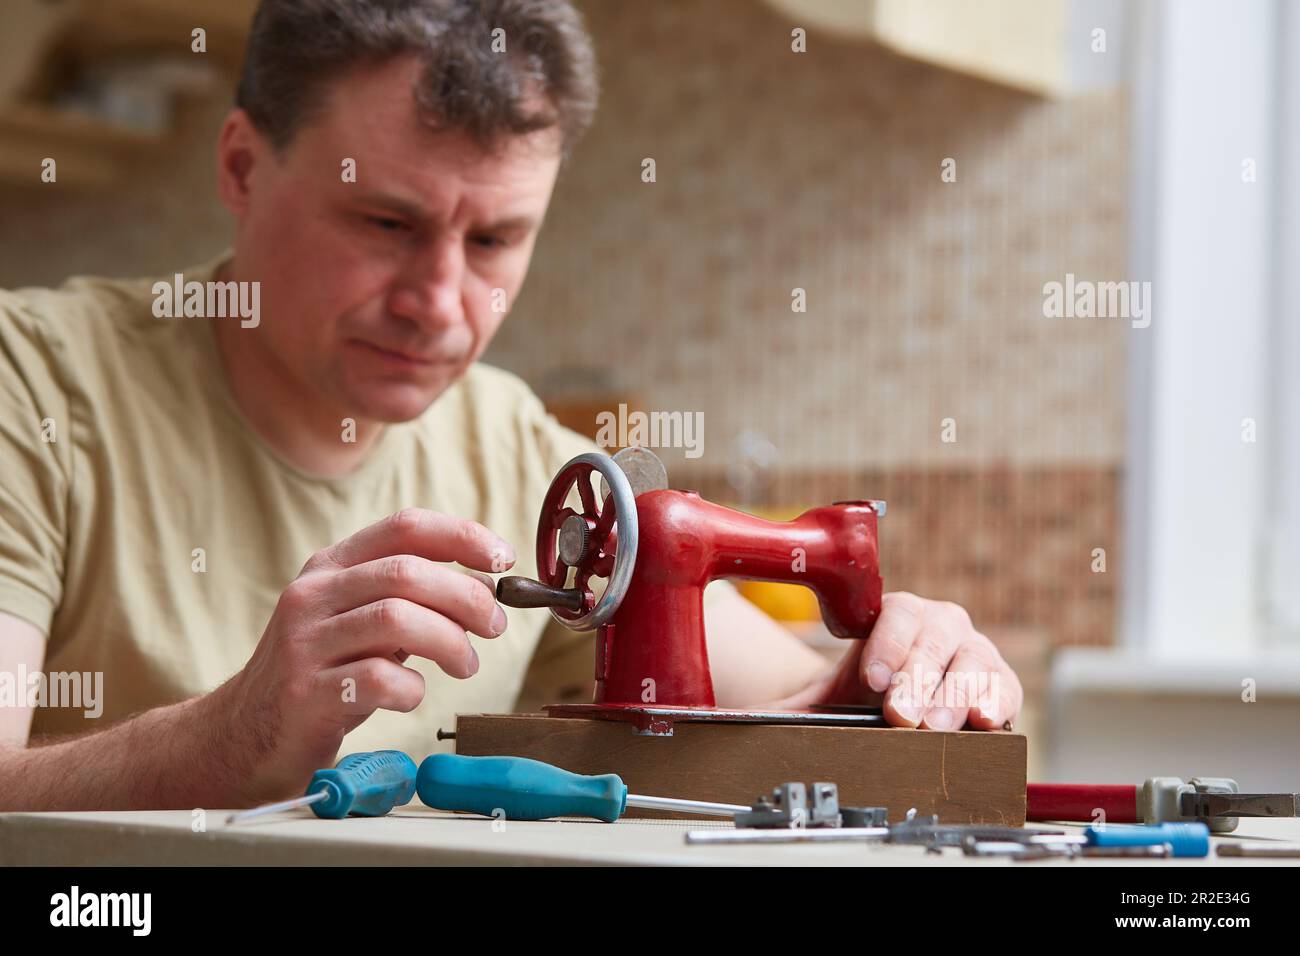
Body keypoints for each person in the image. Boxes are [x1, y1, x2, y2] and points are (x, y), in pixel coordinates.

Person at [0, 0, 1022, 810]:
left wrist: (897, 675)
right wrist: (233, 731)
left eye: (491, 241)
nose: (438, 303)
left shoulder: (520, 451)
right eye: (385, 220)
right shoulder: (33, 382)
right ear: (240, 167)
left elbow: (794, 696)